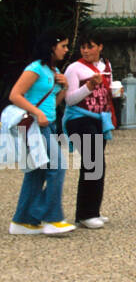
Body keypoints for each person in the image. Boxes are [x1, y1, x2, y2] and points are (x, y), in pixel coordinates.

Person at [8, 29, 75, 236]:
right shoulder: (35, 68)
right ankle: (51, 218)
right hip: (35, 127)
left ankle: (23, 220)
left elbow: (51, 104)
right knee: (58, 166)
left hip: (47, 125)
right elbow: (15, 95)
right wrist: (37, 113)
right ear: (51, 47)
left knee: (36, 173)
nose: (66, 49)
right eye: (63, 45)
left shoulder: (50, 70)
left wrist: (64, 87)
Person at [61, 29, 116, 229]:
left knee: (96, 163)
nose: (86, 51)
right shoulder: (75, 69)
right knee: (94, 161)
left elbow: (107, 92)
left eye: (90, 47)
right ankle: (86, 213)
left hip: (99, 119)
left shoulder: (106, 65)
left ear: (100, 47)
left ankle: (92, 210)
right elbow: (69, 99)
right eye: (83, 47)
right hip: (79, 119)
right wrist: (89, 86)